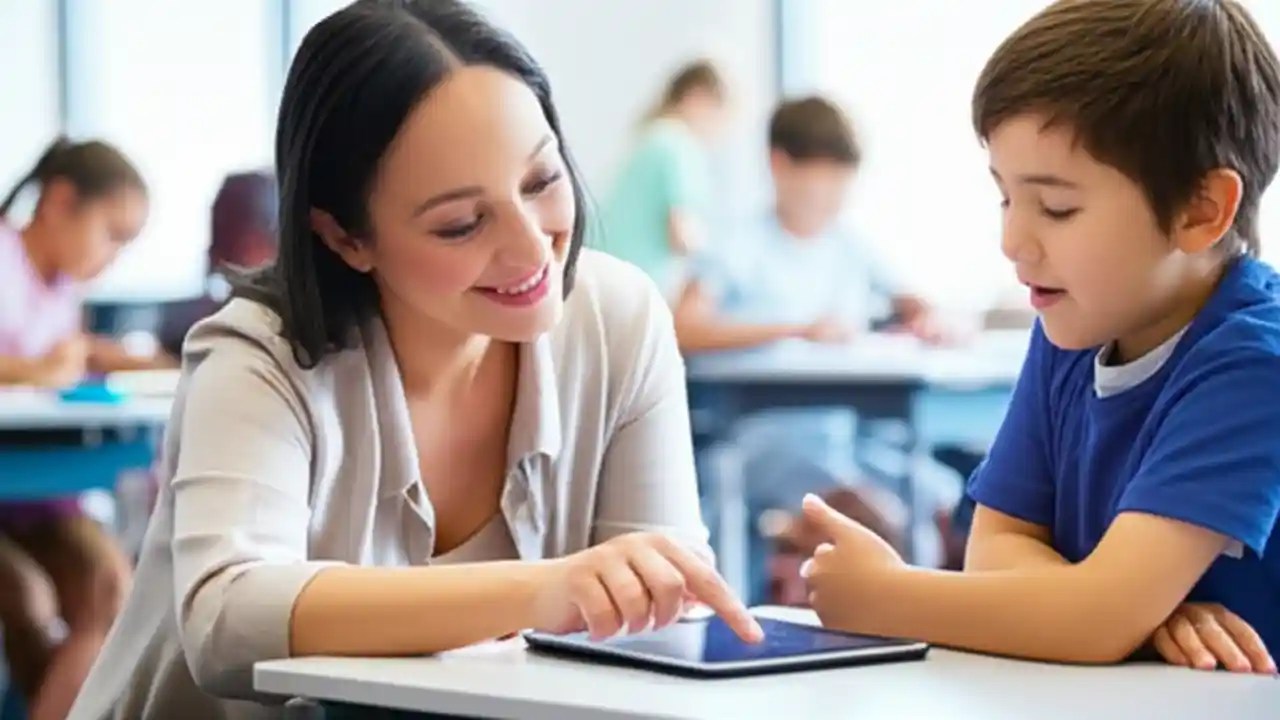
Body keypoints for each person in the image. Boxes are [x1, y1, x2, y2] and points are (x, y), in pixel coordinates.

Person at [67, 2, 760, 718]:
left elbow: (665, 602)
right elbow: (227, 617)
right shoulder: (258, 355)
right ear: (344, 238)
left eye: (542, 181)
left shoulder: (619, 319)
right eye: (462, 224)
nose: (532, 250)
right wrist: (544, 589)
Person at [800, 0, 1280, 675]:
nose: (1012, 241)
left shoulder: (1255, 362)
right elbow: (995, 551)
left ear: (1201, 211)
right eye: (1005, 197)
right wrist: (1129, 611)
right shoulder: (1073, 327)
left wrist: (885, 596)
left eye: (1057, 207)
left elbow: (1094, 619)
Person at [675, 97, 948, 602]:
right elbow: (683, 327)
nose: (831, 203)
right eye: (822, 185)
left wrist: (928, 318)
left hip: (845, 436)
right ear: (779, 166)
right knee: (876, 506)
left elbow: (909, 300)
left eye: (842, 189)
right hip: (759, 438)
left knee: (939, 488)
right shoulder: (737, 244)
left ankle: (917, 622)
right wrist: (795, 329)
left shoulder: (847, 244)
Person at [0, 138, 147, 720]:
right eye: (112, 233)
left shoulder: (62, 286)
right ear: (61, 201)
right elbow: (43, 365)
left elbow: (77, 355)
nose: (112, 256)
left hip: (37, 496)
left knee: (111, 586)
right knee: (28, 596)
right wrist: (35, 372)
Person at [597, 59, 727, 299]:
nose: (722, 130)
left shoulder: (653, 137)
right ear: (697, 98)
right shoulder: (678, 143)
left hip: (604, 278)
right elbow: (682, 232)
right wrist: (721, 260)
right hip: (633, 289)